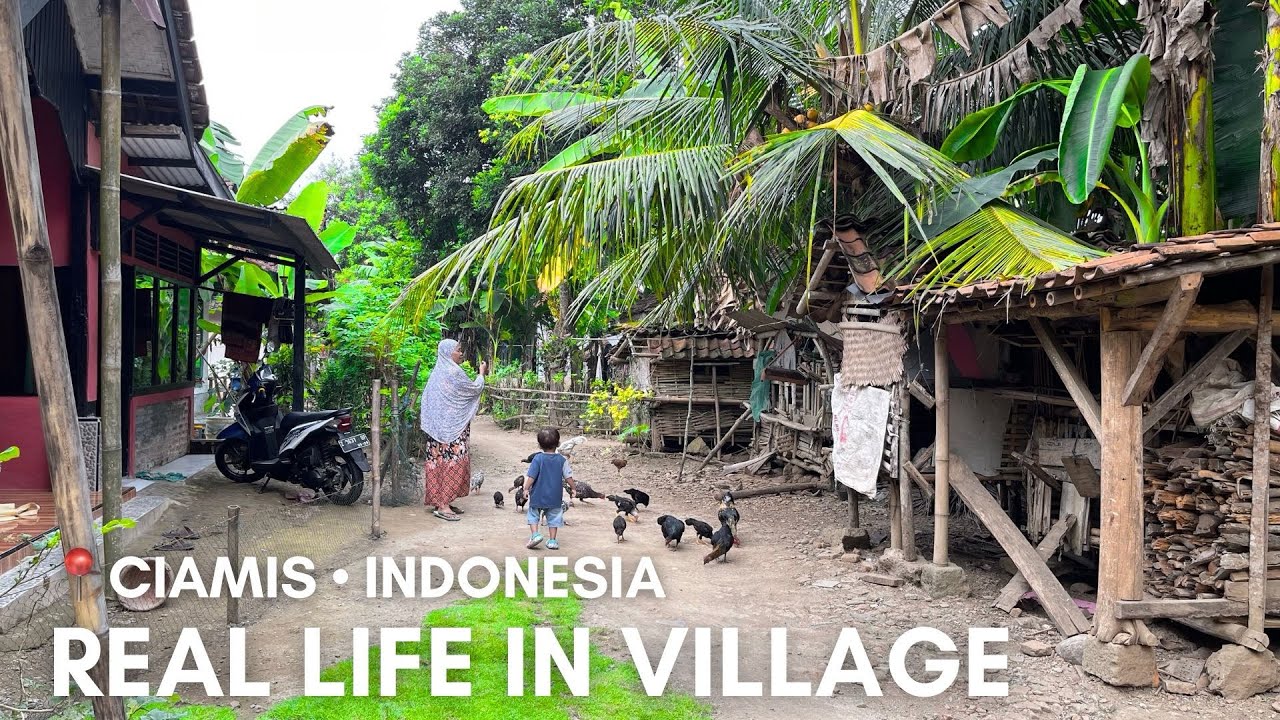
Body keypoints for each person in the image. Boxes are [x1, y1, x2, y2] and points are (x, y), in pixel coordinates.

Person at [419, 339, 487, 521]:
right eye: (458, 350)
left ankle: (440, 500)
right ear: (449, 352)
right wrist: (481, 374)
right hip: (453, 432)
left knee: (438, 462)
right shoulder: (453, 372)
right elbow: (473, 390)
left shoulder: (437, 373)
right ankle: (443, 505)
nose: (461, 353)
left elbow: (427, 401)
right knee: (453, 463)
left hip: (438, 432)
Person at [522, 427, 575, 550]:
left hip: (537, 495)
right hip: (555, 497)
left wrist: (525, 489)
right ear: (558, 443)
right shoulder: (562, 460)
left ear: (539, 445)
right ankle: (552, 541)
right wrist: (573, 488)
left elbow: (531, 476)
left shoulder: (538, 459)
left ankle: (535, 535)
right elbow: (568, 476)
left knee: (533, 515)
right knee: (554, 518)